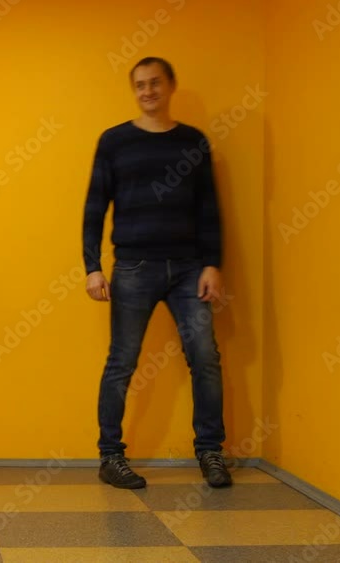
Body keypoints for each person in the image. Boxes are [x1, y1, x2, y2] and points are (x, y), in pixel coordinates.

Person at [82, 57, 231, 489]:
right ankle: (111, 457)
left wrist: (212, 264)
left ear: (171, 86)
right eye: (140, 85)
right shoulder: (114, 141)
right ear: (135, 90)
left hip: (189, 269)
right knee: (122, 363)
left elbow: (209, 210)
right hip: (133, 266)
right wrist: (93, 267)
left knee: (205, 357)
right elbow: (94, 207)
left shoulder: (193, 142)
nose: (148, 91)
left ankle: (211, 452)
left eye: (155, 83)